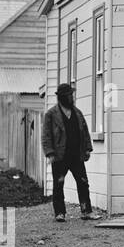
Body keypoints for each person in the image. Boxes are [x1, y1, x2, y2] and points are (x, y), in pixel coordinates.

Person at [41, 82, 95, 222]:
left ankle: (86, 211)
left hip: (76, 155)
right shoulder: (51, 115)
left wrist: (87, 149)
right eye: (69, 95)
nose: (72, 97)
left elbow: (85, 132)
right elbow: (46, 136)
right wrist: (50, 153)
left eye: (72, 95)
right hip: (60, 155)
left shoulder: (77, 113)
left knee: (83, 182)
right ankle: (60, 213)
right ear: (62, 98)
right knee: (58, 184)